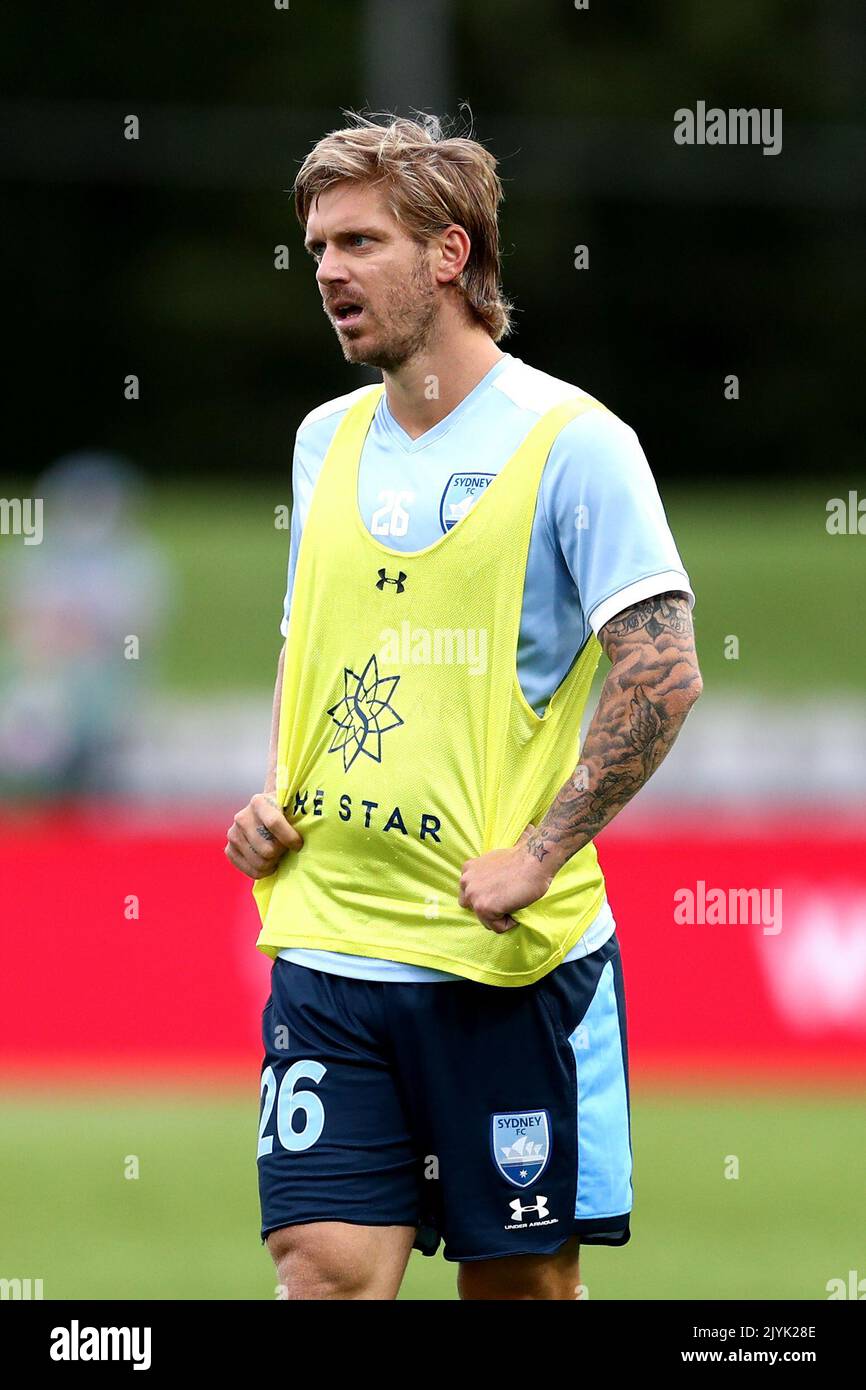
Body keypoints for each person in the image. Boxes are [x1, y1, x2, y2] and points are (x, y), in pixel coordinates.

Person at [225, 112, 703, 1301]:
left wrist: (541, 850)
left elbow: (661, 668)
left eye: (357, 240)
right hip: (331, 942)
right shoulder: (320, 442)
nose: (326, 270)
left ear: (448, 254)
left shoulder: (573, 443)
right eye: (315, 247)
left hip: (504, 962)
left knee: (520, 1291)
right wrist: (270, 790)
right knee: (323, 1273)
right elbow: (313, 646)